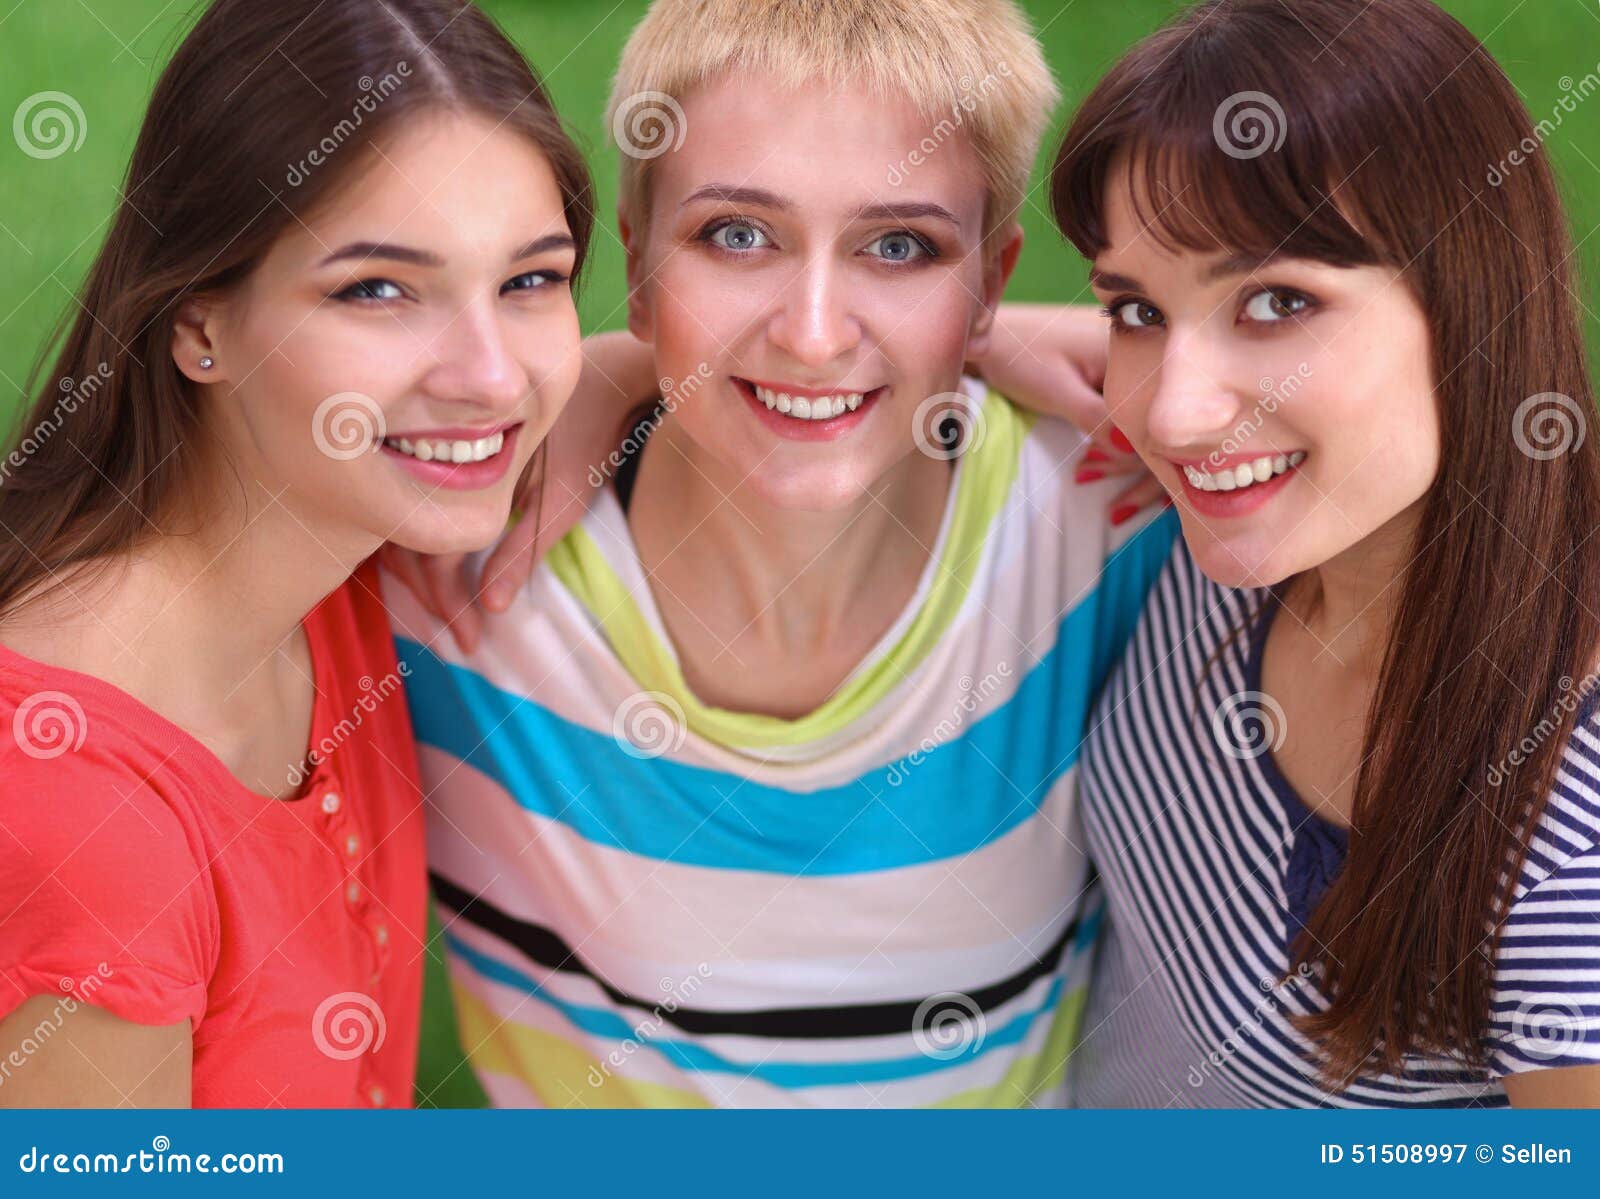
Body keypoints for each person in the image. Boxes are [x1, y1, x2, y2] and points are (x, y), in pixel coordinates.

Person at [382, 0, 1174, 1107]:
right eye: (737, 236)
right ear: (639, 266)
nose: (812, 331)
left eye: (898, 247)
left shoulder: (1113, 521)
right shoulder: (446, 570)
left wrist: (1062, 361)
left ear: (990, 282)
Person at [0, 0, 591, 1107]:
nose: (493, 376)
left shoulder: (342, 535)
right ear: (199, 324)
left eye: (529, 281)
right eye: (377, 290)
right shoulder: (88, 823)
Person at [1055, 0, 1600, 1106]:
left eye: (1276, 300)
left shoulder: (1562, 882)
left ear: (1474, 304)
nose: (1171, 418)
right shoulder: (1254, 527)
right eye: (1135, 310)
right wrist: (621, 386)